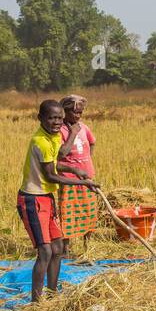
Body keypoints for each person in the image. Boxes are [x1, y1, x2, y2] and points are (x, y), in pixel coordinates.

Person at [19, 99, 99, 301]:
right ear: (40, 119)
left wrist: (74, 170)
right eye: (51, 118)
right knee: (45, 251)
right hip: (32, 200)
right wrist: (80, 182)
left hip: (46, 198)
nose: (56, 122)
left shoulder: (54, 137)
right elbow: (50, 176)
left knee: (57, 249)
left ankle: (53, 294)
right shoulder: (42, 142)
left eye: (59, 118)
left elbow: (55, 165)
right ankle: (37, 303)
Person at [56, 94, 98, 254]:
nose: (78, 116)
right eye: (75, 113)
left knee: (89, 211)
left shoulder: (84, 127)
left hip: (87, 178)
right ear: (65, 112)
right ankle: (66, 249)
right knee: (68, 213)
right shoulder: (61, 130)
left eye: (81, 113)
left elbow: (92, 142)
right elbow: (61, 154)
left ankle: (88, 247)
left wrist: (86, 160)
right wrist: (73, 133)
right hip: (69, 180)